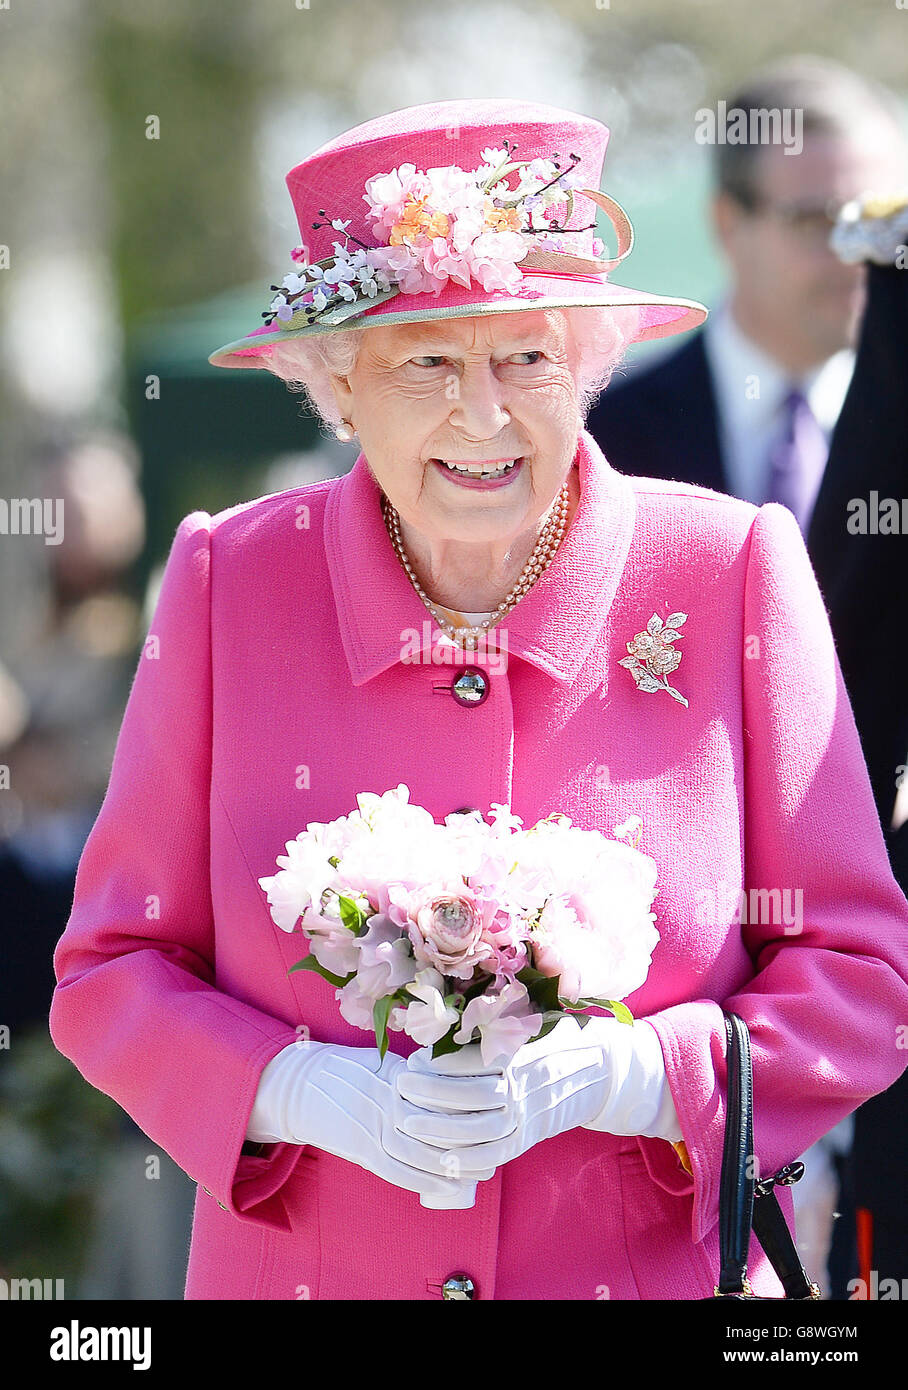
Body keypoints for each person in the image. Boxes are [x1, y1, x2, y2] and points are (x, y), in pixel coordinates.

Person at [48, 98, 908, 1301]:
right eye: (427, 362)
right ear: (338, 387)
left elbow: (865, 977)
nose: (485, 413)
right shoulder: (224, 580)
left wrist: (647, 1075)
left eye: (526, 355)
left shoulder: (729, 571)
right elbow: (110, 969)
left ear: (590, 366)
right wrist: (292, 1090)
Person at [587, 55, 908, 540]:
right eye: (818, 221)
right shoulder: (601, 439)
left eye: (882, 226)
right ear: (728, 224)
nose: (856, 257)